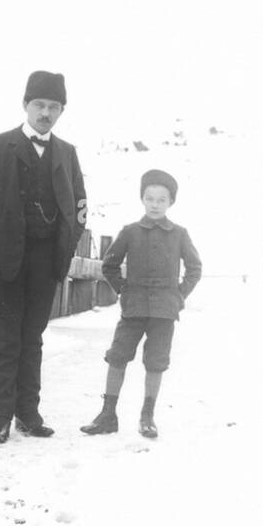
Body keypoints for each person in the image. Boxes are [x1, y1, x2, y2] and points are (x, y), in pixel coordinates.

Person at [0, 70, 87, 444]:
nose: (45, 113)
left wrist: (67, 243)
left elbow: (80, 206)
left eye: (53, 107)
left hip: (47, 262)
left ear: (61, 111)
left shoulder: (67, 153)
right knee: (5, 341)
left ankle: (28, 415)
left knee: (33, 339)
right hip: (6, 260)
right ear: (25, 105)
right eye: (39, 105)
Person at [81, 168, 202, 440]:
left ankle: (147, 417)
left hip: (164, 312)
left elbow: (195, 268)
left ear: (171, 202)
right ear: (142, 199)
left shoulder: (180, 234)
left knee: (156, 362)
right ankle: (107, 415)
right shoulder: (130, 232)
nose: (155, 204)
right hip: (133, 309)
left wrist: (179, 295)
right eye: (150, 198)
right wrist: (123, 291)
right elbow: (109, 265)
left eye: (161, 199)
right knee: (117, 356)